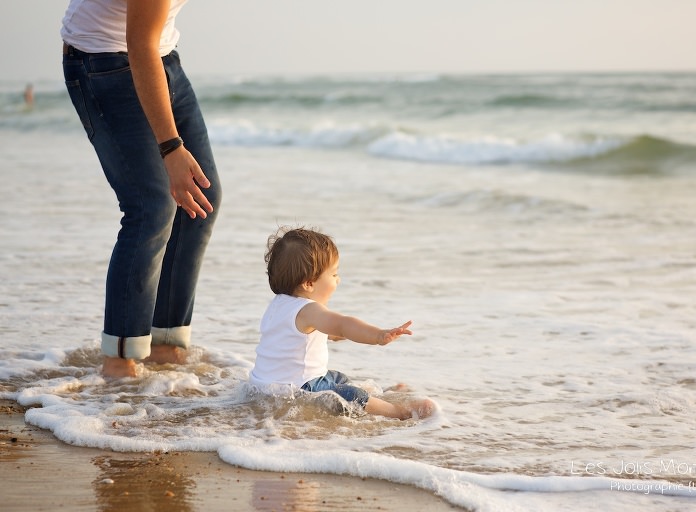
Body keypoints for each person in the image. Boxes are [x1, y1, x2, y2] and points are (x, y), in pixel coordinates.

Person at [61, 0, 222, 378]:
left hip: (161, 56)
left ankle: (165, 344)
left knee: (202, 196)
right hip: (102, 62)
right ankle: (120, 358)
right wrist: (171, 148)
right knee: (151, 208)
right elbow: (139, 46)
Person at [249, 227, 435, 420]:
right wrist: (378, 336)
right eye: (334, 274)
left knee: (337, 378)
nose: (338, 280)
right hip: (297, 389)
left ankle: (379, 397)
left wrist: (339, 334)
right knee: (350, 394)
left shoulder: (279, 305)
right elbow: (342, 324)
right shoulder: (309, 310)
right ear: (309, 283)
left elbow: (328, 333)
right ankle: (401, 413)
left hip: (264, 385)